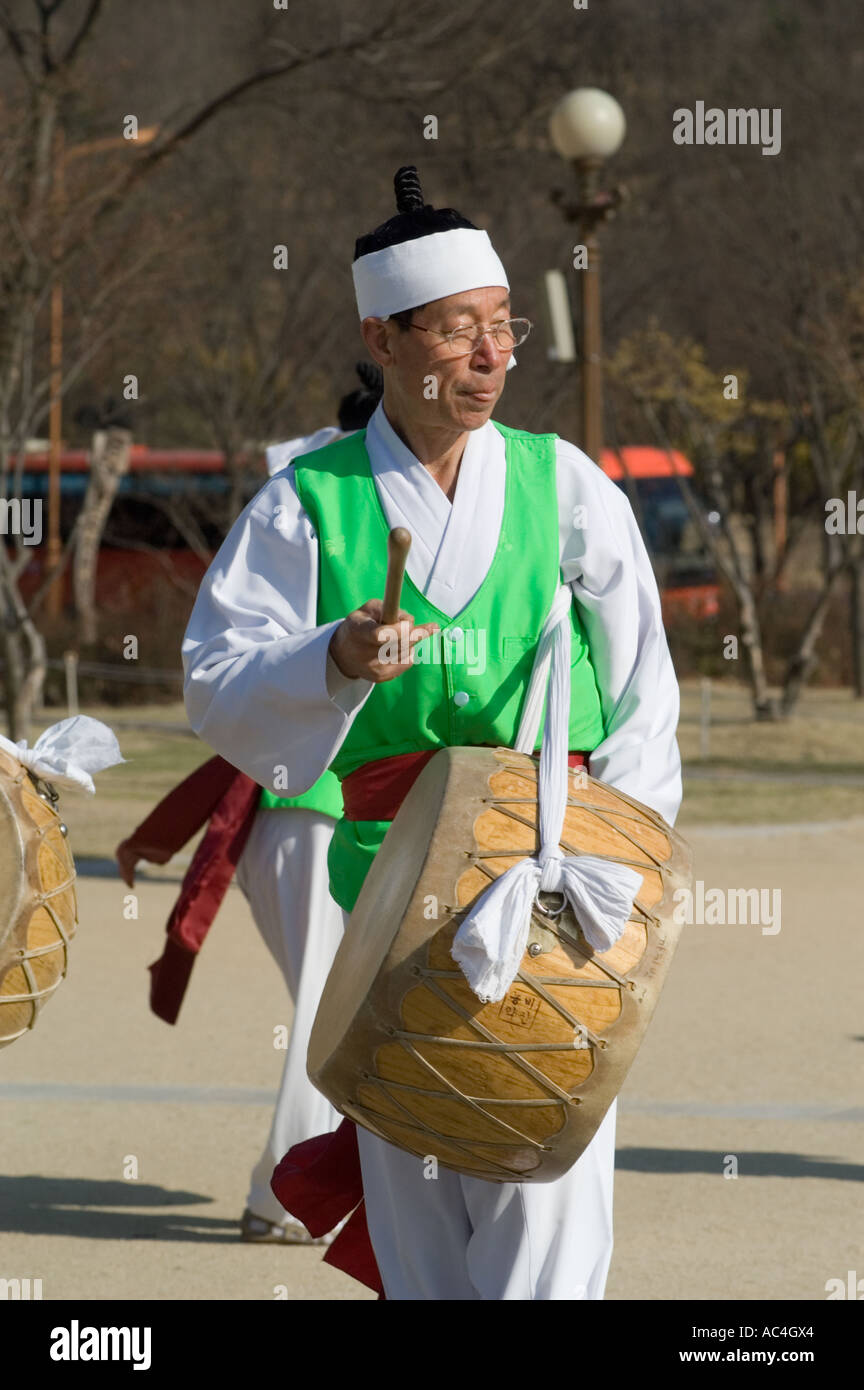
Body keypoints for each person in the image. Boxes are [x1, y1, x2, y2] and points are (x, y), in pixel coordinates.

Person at [181, 165, 682, 1299]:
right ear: (385, 338)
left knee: (543, 1202)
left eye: (501, 329)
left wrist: (622, 857)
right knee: (419, 1221)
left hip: (549, 878)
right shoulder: (308, 499)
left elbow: (645, 679)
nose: (492, 355)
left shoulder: (564, 487)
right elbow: (213, 676)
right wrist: (332, 658)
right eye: (457, 333)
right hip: (387, 892)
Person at [117, 366, 382, 1246]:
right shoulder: (329, 506)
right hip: (310, 803)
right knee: (327, 1003)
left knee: (339, 1001)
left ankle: (310, 1186)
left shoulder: (327, 497)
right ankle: (285, 1195)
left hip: (311, 805)